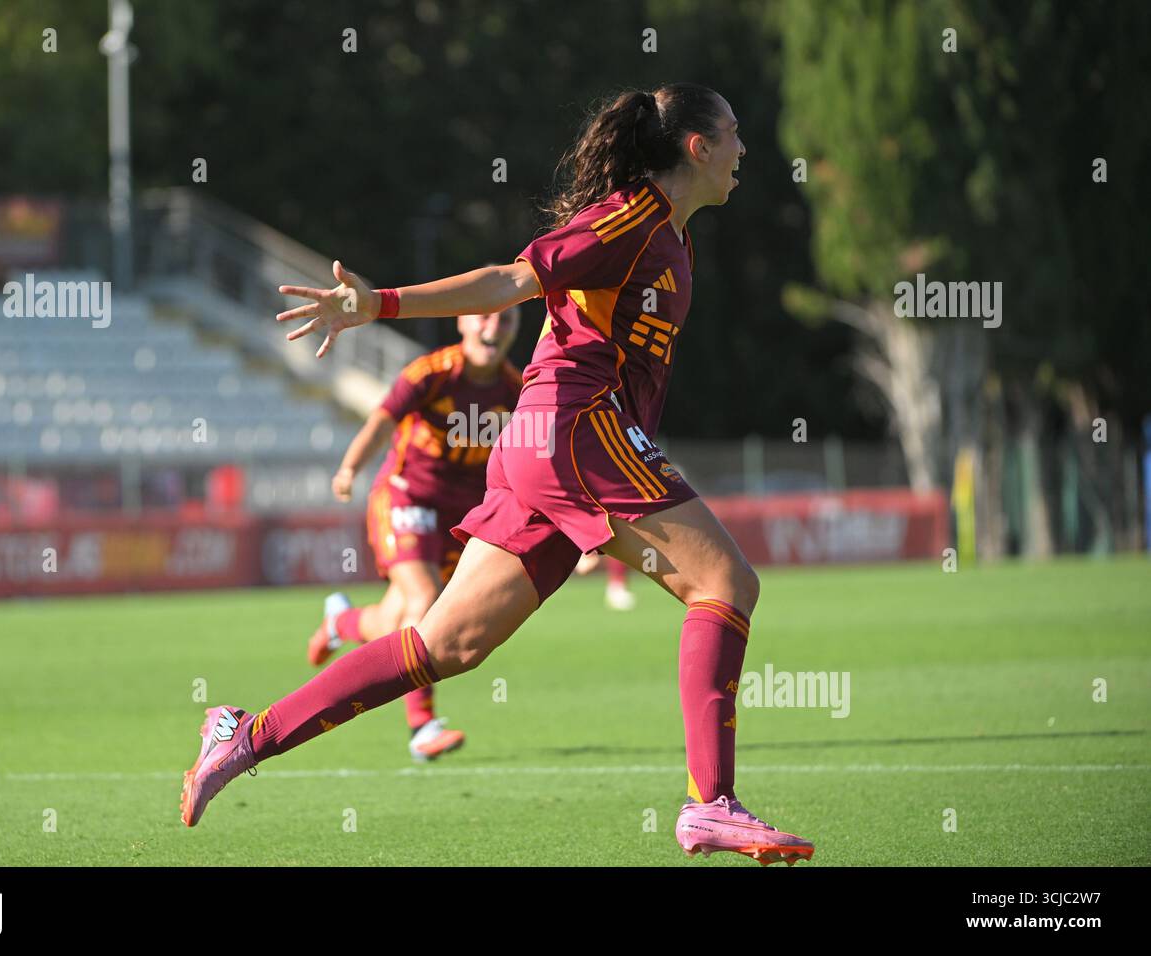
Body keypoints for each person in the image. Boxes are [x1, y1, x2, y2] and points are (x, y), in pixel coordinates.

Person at [181, 83, 814, 865]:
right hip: (574, 430)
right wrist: (375, 304)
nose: (745, 149)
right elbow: (509, 280)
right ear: (697, 146)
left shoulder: (673, 237)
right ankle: (710, 804)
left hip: (544, 444)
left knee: (445, 644)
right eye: (735, 133)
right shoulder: (633, 216)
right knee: (726, 584)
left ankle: (245, 737)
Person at [308, 307, 522, 761]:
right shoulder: (431, 373)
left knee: (394, 623)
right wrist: (349, 468)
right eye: (484, 317)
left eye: (506, 320)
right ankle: (421, 726)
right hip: (404, 497)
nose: (493, 327)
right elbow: (382, 420)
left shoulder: (516, 390)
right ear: (462, 322)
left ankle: (339, 622)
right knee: (425, 599)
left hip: (459, 517)